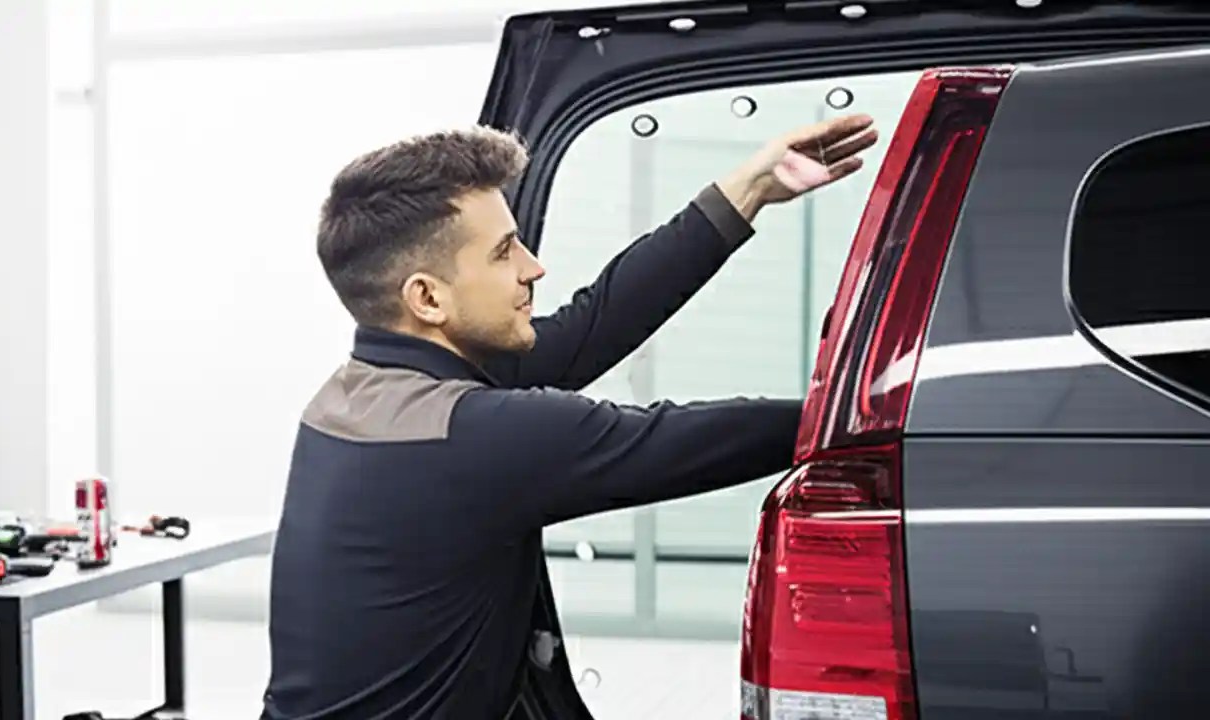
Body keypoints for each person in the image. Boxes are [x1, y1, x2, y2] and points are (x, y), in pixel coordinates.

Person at [260, 114, 878, 720]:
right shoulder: (473, 436)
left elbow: (595, 323)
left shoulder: (354, 397)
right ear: (427, 297)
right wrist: (881, 412)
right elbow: (687, 439)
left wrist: (749, 189)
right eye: (504, 252)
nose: (533, 267)